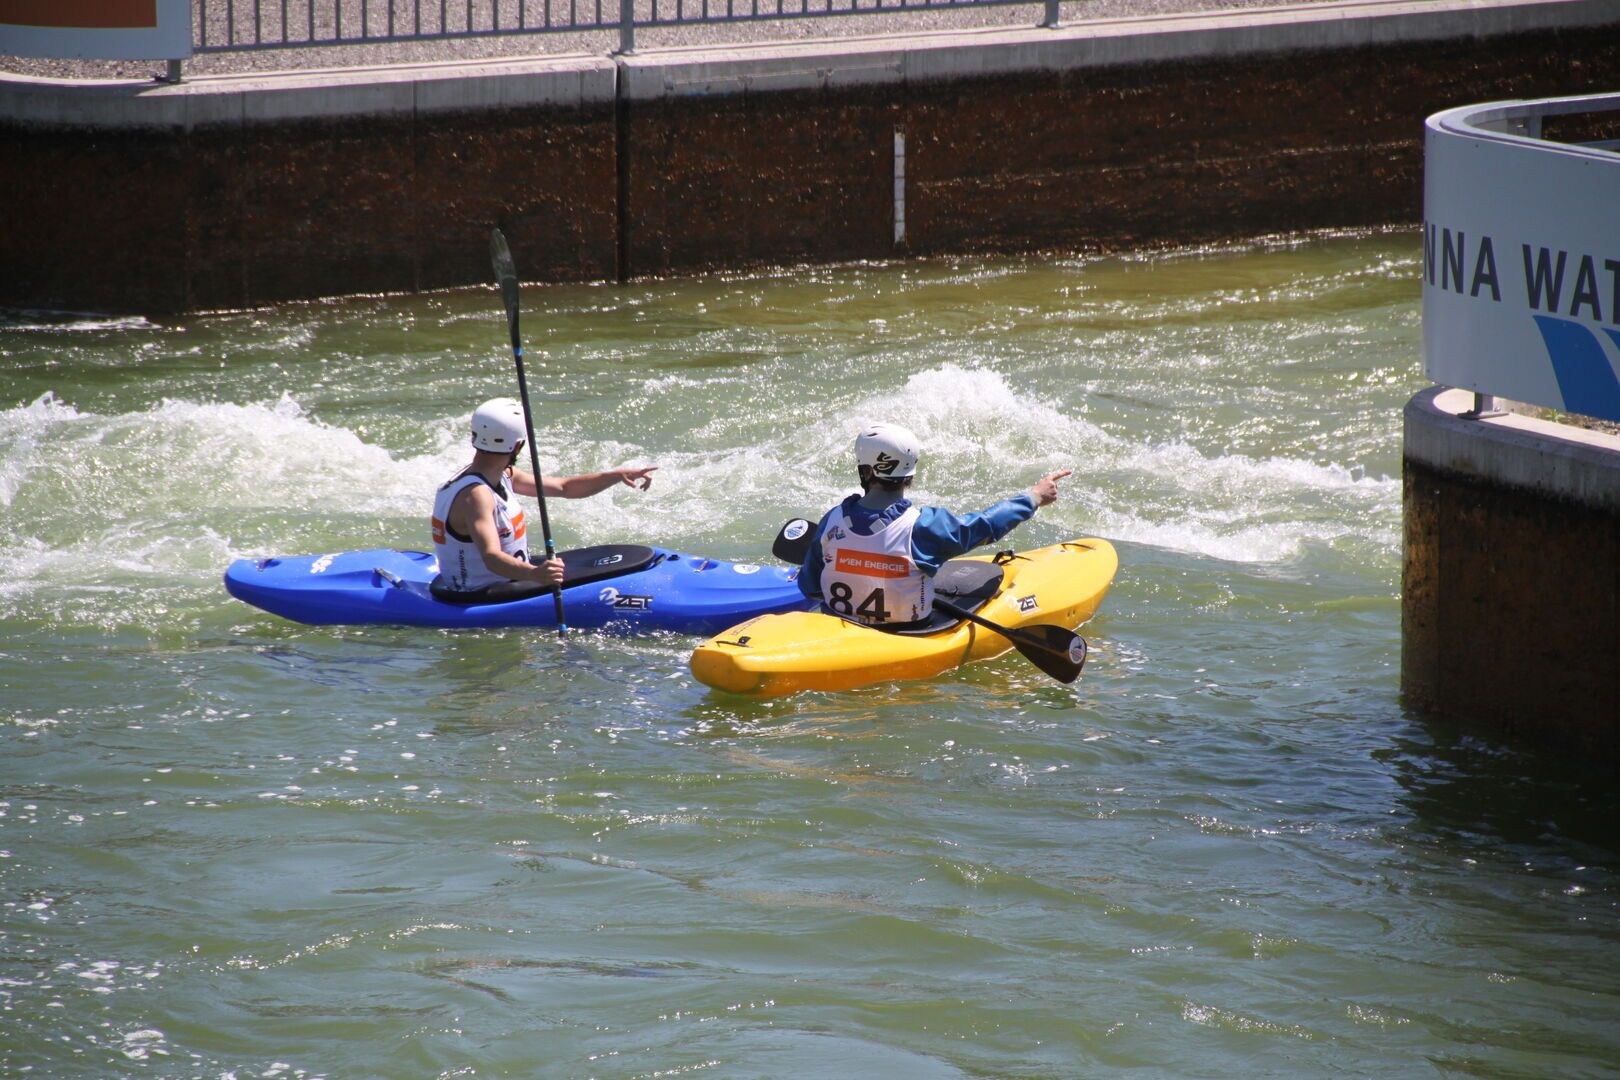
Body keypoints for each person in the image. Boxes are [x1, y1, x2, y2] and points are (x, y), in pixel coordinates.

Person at [798, 423, 1070, 626]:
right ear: (909, 475)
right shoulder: (924, 527)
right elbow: (984, 525)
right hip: (907, 634)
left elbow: (810, 585)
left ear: (866, 471)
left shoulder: (831, 521)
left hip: (839, 628)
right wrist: (1034, 497)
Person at [430, 398, 657, 597]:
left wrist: (615, 475)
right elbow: (492, 557)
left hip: (512, 578)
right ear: (518, 445)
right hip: (483, 593)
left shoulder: (501, 475)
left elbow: (564, 487)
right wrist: (536, 574)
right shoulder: (476, 496)